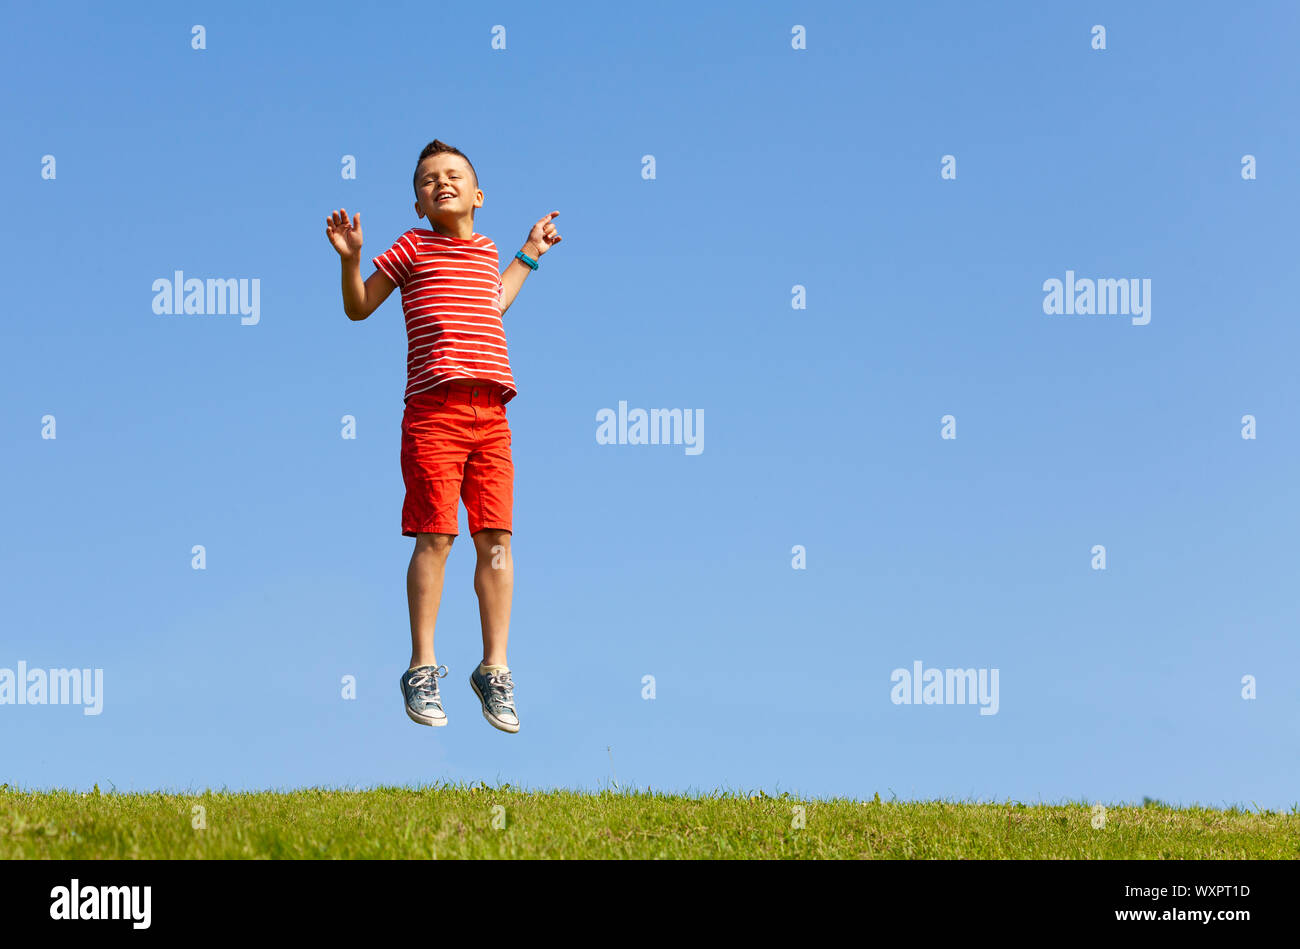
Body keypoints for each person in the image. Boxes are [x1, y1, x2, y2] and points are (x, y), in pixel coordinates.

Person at [325, 138, 561, 733]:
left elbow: (493, 302)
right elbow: (358, 309)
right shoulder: (411, 247)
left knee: (497, 540)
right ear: (418, 204)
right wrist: (352, 260)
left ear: (478, 195)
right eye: (429, 180)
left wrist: (528, 254)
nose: (442, 183)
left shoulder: (484, 253)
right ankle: (422, 666)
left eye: (454, 175)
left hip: (493, 413)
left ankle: (495, 669)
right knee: (436, 538)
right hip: (434, 413)